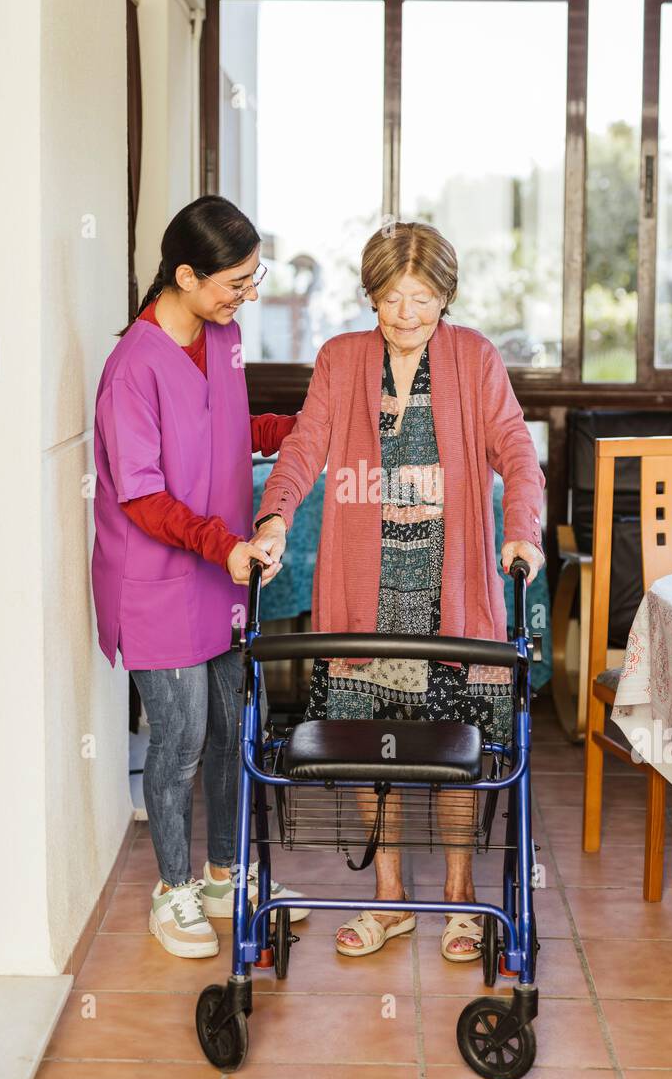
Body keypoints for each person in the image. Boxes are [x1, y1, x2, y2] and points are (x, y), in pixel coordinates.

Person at [252, 222, 545, 960]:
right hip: (367, 591)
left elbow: (514, 447)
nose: (406, 313)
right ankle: (388, 899)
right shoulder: (343, 359)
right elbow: (305, 445)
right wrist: (274, 518)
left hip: (450, 590)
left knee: (453, 747)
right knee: (370, 748)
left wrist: (522, 529)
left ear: (446, 296)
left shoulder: (473, 357)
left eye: (421, 298)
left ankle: (454, 896)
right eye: (390, 299)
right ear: (370, 298)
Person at [92, 195, 307, 959]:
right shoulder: (132, 366)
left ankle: (223, 874)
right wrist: (223, 544)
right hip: (158, 578)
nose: (245, 294)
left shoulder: (224, 337)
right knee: (179, 741)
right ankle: (173, 889)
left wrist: (303, 428)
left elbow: (229, 427)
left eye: (253, 278)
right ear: (185, 275)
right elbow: (142, 495)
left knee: (229, 732)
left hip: (224, 569)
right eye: (234, 281)